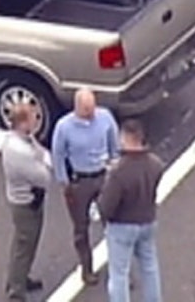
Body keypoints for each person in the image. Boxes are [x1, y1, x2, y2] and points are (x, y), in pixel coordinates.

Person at [51, 88, 120, 286]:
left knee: (115, 224)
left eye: (92, 108)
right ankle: (87, 269)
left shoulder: (105, 117)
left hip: (104, 177)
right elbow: (58, 155)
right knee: (81, 229)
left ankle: (119, 269)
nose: (91, 113)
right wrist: (64, 183)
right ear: (77, 107)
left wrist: (115, 171)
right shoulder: (64, 127)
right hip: (80, 181)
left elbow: (114, 147)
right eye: (86, 110)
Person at [97, 118, 165, 302]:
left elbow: (107, 206)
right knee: (150, 267)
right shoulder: (155, 164)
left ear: (126, 138)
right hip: (148, 221)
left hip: (122, 226)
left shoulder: (119, 172)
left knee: (119, 274)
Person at [0, 103, 54, 301]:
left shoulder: (23, 140)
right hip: (25, 205)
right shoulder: (19, 151)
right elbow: (44, 177)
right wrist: (44, 161)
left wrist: (42, 159)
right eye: (32, 117)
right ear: (22, 122)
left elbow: (41, 153)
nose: (36, 120)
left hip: (29, 200)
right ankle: (16, 291)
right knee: (24, 247)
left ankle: (20, 278)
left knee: (24, 245)